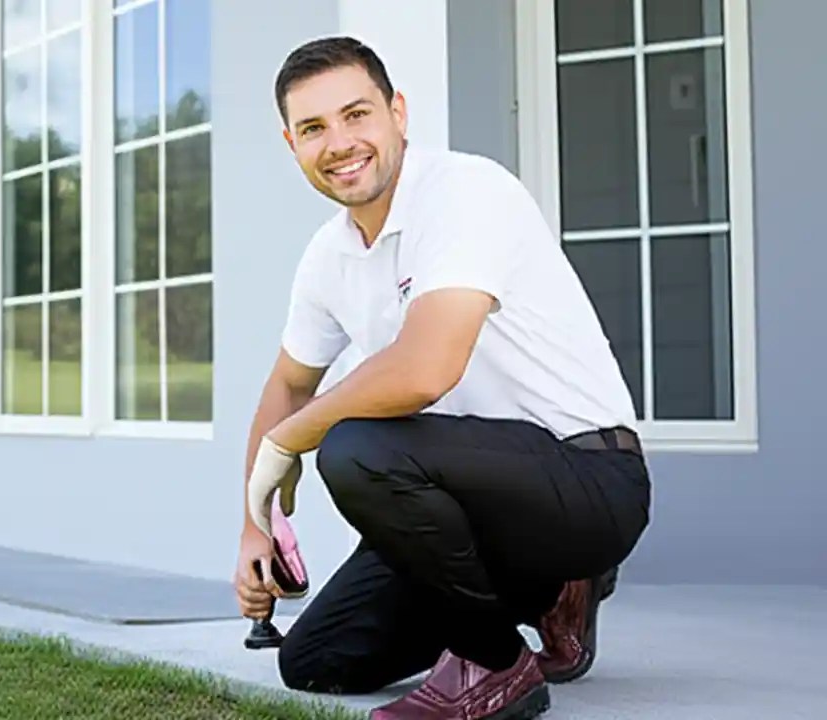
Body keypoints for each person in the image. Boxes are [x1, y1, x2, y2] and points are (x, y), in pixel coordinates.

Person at [233, 36, 652, 720]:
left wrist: (288, 443)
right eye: (313, 128)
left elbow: (426, 370)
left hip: (587, 481)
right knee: (317, 661)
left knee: (356, 449)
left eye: (356, 114)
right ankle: (550, 594)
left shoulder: (465, 191)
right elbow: (288, 383)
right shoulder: (328, 256)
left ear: (397, 112)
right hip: (470, 504)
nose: (339, 142)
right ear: (292, 144)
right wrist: (255, 527)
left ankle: (494, 665)